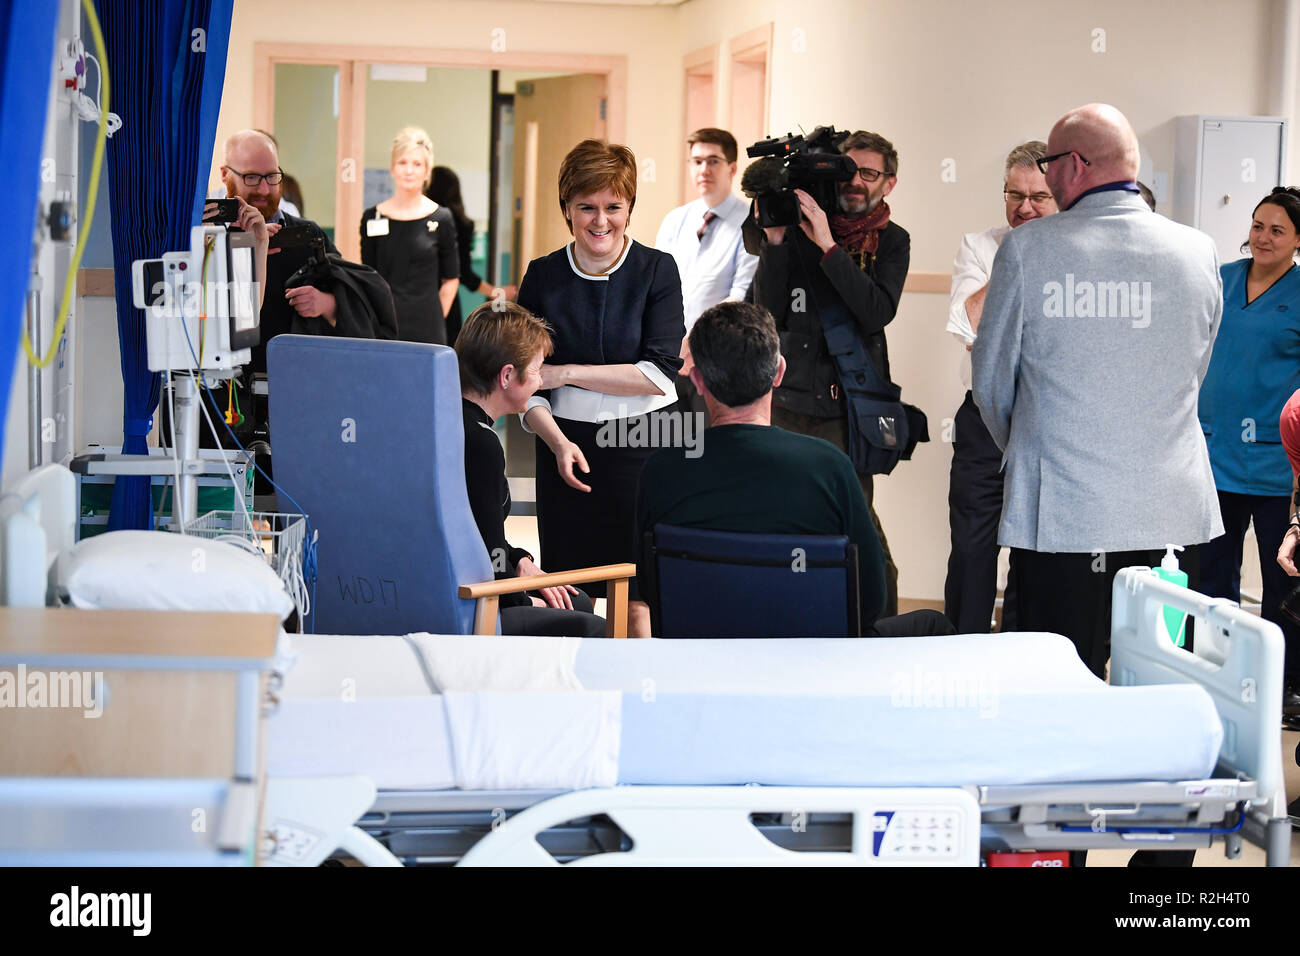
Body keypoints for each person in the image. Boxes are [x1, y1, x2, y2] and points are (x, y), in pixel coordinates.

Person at [972, 102, 1223, 677]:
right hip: (1168, 515)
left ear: (1077, 164)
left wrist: (1039, 441)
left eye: (1049, 162)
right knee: (1159, 680)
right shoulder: (1197, 250)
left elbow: (990, 384)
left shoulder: (1030, 250)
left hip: (1063, 516)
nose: (1046, 174)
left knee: (1054, 683)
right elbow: (1195, 368)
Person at [636, 301, 953, 638]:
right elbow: (871, 601)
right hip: (811, 661)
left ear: (697, 379)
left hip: (700, 656)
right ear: (779, 372)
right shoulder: (830, 468)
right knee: (934, 624)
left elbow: (645, 592)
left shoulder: (661, 470)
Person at [517, 139, 685, 639]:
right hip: (563, 446)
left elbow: (656, 377)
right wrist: (558, 442)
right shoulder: (543, 276)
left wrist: (565, 372)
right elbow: (527, 387)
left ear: (630, 208)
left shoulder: (658, 271)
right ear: (567, 208)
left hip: (643, 444)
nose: (600, 221)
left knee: (636, 601)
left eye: (613, 207)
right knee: (571, 592)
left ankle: (639, 698)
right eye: (586, 207)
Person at [751, 129, 907, 617]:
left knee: (856, 529)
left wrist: (828, 246)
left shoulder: (891, 241)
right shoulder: (795, 232)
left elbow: (875, 311)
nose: (856, 182)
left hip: (848, 412)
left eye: (869, 173)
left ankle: (876, 635)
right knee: (778, 521)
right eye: (848, 170)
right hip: (788, 405)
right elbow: (767, 311)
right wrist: (777, 240)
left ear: (890, 182)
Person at [212, 130, 396, 457]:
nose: (264, 190)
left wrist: (328, 304)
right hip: (223, 397)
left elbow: (364, 299)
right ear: (225, 174)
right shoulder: (206, 237)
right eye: (252, 177)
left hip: (298, 397)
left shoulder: (304, 236)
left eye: (272, 177)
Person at [943, 141, 1058, 633]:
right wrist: (1017, 257)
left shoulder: (1077, 252)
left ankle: (1018, 649)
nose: (1025, 207)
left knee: (1035, 548)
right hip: (984, 418)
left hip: (1050, 420)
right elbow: (969, 323)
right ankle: (961, 648)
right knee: (972, 545)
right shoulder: (981, 245)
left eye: (1039, 197)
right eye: (1015, 194)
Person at [1199, 187, 1300, 702]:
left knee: (1283, 581)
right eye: (1258, 225)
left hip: (1277, 465)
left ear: (1298, 239)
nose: (1262, 237)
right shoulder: (1222, 279)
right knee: (1212, 573)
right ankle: (1219, 675)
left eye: (1277, 229)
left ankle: (1284, 688)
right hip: (1214, 454)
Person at [456, 301, 605, 638]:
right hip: (474, 602)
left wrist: (521, 560)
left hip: (458, 584)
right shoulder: (481, 444)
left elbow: (476, 534)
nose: (540, 381)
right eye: (537, 369)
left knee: (573, 599)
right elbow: (490, 562)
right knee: (590, 621)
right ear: (508, 375)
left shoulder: (451, 419)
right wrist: (521, 599)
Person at [654, 128, 758, 419]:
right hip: (669, 358)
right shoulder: (676, 220)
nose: (704, 169)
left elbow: (740, 296)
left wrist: (693, 342)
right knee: (667, 450)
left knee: (707, 449)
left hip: (717, 360)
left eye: (713, 161)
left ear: (732, 168)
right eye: (696, 161)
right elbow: (656, 288)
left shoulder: (750, 222)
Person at [360, 127, 460, 345]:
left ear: (427, 172)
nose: (409, 170)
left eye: (417, 164)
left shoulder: (442, 218)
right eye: (403, 162)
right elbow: (369, 278)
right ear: (392, 168)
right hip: (384, 328)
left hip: (429, 329)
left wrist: (434, 318)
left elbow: (451, 280)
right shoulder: (372, 217)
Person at [428, 165, 517, 346]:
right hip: (447, 300)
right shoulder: (461, 223)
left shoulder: (429, 221)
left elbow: (462, 273)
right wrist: (495, 292)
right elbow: (464, 273)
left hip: (421, 296)